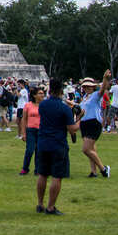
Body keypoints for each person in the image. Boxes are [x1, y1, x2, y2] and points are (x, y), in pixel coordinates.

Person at [35, 78, 80, 216]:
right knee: (56, 176)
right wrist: (80, 119)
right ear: (61, 91)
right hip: (58, 144)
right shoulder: (64, 108)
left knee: (42, 175)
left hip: (43, 143)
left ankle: (40, 203)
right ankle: (50, 207)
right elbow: (72, 129)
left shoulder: (42, 105)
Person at [77, 73, 112, 178]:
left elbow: (102, 90)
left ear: (93, 87)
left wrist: (105, 78)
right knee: (91, 149)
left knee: (86, 149)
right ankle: (93, 171)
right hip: (84, 123)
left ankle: (103, 169)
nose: (87, 88)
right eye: (85, 86)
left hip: (93, 123)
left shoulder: (96, 95)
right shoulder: (84, 98)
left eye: (89, 86)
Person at [18, 86, 42, 174]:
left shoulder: (44, 105)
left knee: (39, 151)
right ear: (35, 95)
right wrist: (23, 133)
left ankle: (38, 169)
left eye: (43, 93)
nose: (42, 95)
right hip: (31, 130)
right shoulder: (28, 105)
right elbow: (24, 119)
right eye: (40, 93)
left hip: (41, 130)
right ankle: (25, 168)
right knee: (30, 150)